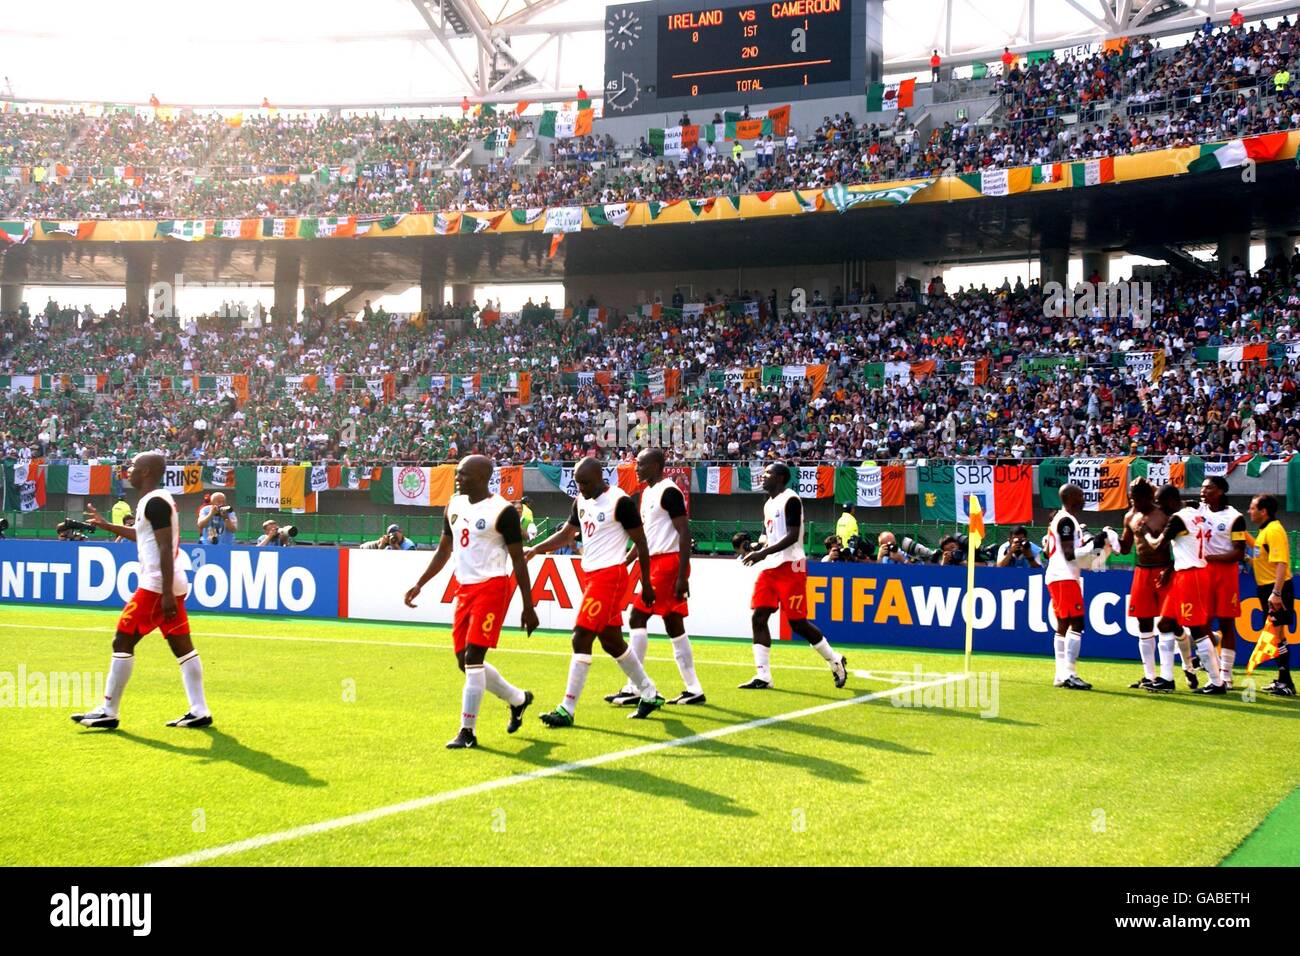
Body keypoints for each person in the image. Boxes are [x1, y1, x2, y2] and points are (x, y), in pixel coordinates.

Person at [404, 456, 539, 749]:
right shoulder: (454, 504)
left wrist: (529, 606)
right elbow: (444, 549)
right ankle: (518, 699)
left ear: (481, 477)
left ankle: (468, 731)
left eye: (463, 474)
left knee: (474, 659)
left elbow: (518, 560)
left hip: (492, 587)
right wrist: (420, 583)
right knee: (463, 662)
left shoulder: (502, 511)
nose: (457, 478)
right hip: (465, 589)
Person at [73, 452, 212, 729]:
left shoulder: (155, 502)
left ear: (147, 471)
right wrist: (106, 525)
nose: (129, 471)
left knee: (122, 641)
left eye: (134, 467)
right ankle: (199, 710)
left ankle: (108, 710)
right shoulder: (154, 500)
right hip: (168, 583)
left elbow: (163, 547)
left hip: (156, 585)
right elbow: (144, 536)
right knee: (182, 646)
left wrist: (166, 594)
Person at [525, 458, 664, 725]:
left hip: (610, 577)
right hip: (591, 576)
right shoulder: (580, 501)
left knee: (580, 636)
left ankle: (567, 709)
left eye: (586, 482)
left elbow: (642, 544)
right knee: (611, 642)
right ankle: (649, 693)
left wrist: (645, 583)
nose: (582, 487)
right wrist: (536, 548)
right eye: (578, 482)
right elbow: (567, 535)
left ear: (601, 477)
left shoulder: (620, 502)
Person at [739, 463, 848, 690]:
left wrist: (763, 552)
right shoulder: (768, 503)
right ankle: (763, 676)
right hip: (770, 568)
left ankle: (834, 659)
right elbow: (768, 534)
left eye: (767, 473)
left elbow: (792, 535)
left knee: (796, 623)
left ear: (779, 478)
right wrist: (757, 547)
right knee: (758, 616)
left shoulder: (791, 499)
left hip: (792, 566)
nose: (763, 477)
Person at [610, 449, 704, 706]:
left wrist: (683, 575)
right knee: (673, 623)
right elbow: (646, 537)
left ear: (655, 465)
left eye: (640, 464)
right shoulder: (648, 493)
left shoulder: (669, 491)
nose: (636, 468)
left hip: (668, 562)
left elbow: (684, 533)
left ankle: (636, 687)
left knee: (637, 616)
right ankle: (693, 689)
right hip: (652, 562)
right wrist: (626, 560)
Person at [1143, 484, 1226, 695]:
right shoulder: (1193, 512)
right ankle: (1167, 679)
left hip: (1192, 576)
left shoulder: (1178, 518)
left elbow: (1157, 545)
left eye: (1161, 504)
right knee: (1164, 623)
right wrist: (1171, 569)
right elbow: (1187, 545)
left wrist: (1144, 532)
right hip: (1184, 574)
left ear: (1171, 501)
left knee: (1198, 629)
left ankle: (1217, 682)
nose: (1160, 508)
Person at [1116, 478, 1178, 692]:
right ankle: (1150, 676)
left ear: (1147, 496)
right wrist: (1110, 539)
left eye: (1136, 497)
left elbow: (1179, 546)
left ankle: (1171, 674)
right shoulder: (1130, 516)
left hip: (1163, 570)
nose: (1133, 501)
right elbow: (1125, 548)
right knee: (1144, 623)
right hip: (1141, 570)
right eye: (1131, 497)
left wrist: (1171, 569)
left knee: (1169, 622)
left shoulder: (1163, 515)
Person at [1043, 483, 1094, 690]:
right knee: (1077, 622)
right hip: (1064, 576)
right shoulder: (1065, 520)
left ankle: (1060, 674)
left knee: (1064, 624)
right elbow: (1069, 553)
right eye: (1081, 495)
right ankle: (1069, 673)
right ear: (1072, 497)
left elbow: (1048, 551)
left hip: (1061, 575)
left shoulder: (1063, 519)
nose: (1083, 498)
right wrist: (1095, 545)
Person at [1200, 476, 1246, 689]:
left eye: (1208, 487)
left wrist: (1211, 558)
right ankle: (1214, 667)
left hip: (1225, 573)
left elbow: (1238, 552)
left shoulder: (1235, 517)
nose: (1203, 490)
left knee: (1227, 624)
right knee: (1202, 623)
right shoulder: (1198, 512)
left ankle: (1226, 675)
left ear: (1219, 491)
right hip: (1202, 572)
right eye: (1202, 487)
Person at [1247, 494, 1295, 695]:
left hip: (1276, 589)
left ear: (1263, 511)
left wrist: (1276, 593)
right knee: (1278, 635)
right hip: (1267, 588)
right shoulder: (1265, 531)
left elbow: (1281, 563)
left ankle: (1287, 683)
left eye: (1252, 508)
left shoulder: (1274, 531)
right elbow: (1262, 557)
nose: (1250, 511)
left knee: (1277, 635)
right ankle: (1284, 681)